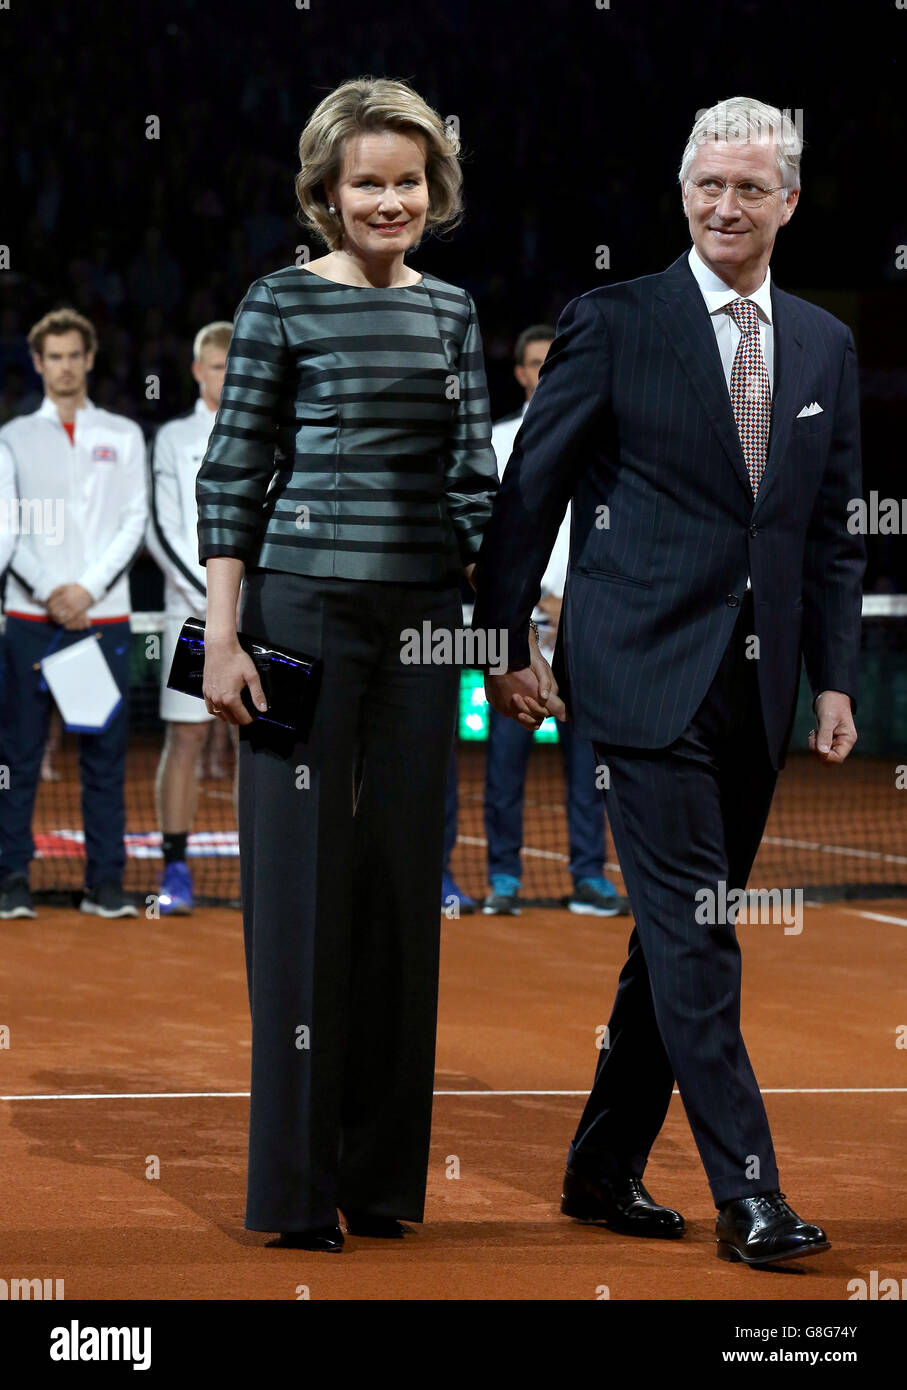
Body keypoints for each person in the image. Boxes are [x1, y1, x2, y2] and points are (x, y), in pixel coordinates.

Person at [473, 97, 865, 1267]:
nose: (725, 205)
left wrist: (833, 676)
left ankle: (600, 1166)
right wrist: (502, 645)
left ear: (787, 201)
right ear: (683, 193)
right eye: (708, 184)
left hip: (759, 692)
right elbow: (526, 495)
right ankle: (749, 1192)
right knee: (701, 932)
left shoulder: (824, 343)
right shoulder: (612, 319)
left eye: (749, 187)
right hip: (637, 674)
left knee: (673, 933)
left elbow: (833, 530)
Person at [195, 77, 531, 1252]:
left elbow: (471, 493)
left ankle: (381, 1179)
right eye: (367, 183)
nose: (389, 199)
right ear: (327, 194)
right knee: (295, 895)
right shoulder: (279, 303)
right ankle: (292, 1194)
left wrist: (504, 645)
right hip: (294, 618)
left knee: (401, 890)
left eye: (407, 181)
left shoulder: (449, 313)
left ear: (432, 191)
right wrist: (224, 636)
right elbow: (232, 475)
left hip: (426, 625)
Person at [0, 308, 147, 919]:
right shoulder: (12, 437)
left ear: (89, 360)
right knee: (17, 757)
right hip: (32, 621)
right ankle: (11, 882)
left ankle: (104, 884)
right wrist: (52, 590)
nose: (63, 366)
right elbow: (7, 528)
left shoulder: (125, 434)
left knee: (104, 759)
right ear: (38, 363)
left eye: (73, 355)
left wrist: (84, 591)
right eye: (52, 356)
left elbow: (133, 523)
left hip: (100, 620)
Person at [483, 325, 622, 918]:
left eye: (553, 362)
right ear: (519, 372)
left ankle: (589, 875)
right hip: (520, 631)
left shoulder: (602, 438)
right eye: (535, 362)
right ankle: (502, 877)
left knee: (589, 765)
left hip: (585, 632)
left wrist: (579, 606)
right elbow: (493, 540)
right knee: (504, 762)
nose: (544, 371)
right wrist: (540, 601)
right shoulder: (494, 440)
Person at [145, 320, 237, 915]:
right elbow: (162, 530)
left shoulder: (276, 432)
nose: (227, 377)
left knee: (261, 740)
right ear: (199, 371)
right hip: (193, 618)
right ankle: (175, 868)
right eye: (218, 366)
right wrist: (215, 595)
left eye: (236, 366)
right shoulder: (173, 438)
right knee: (185, 738)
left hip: (262, 616)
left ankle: (264, 869)